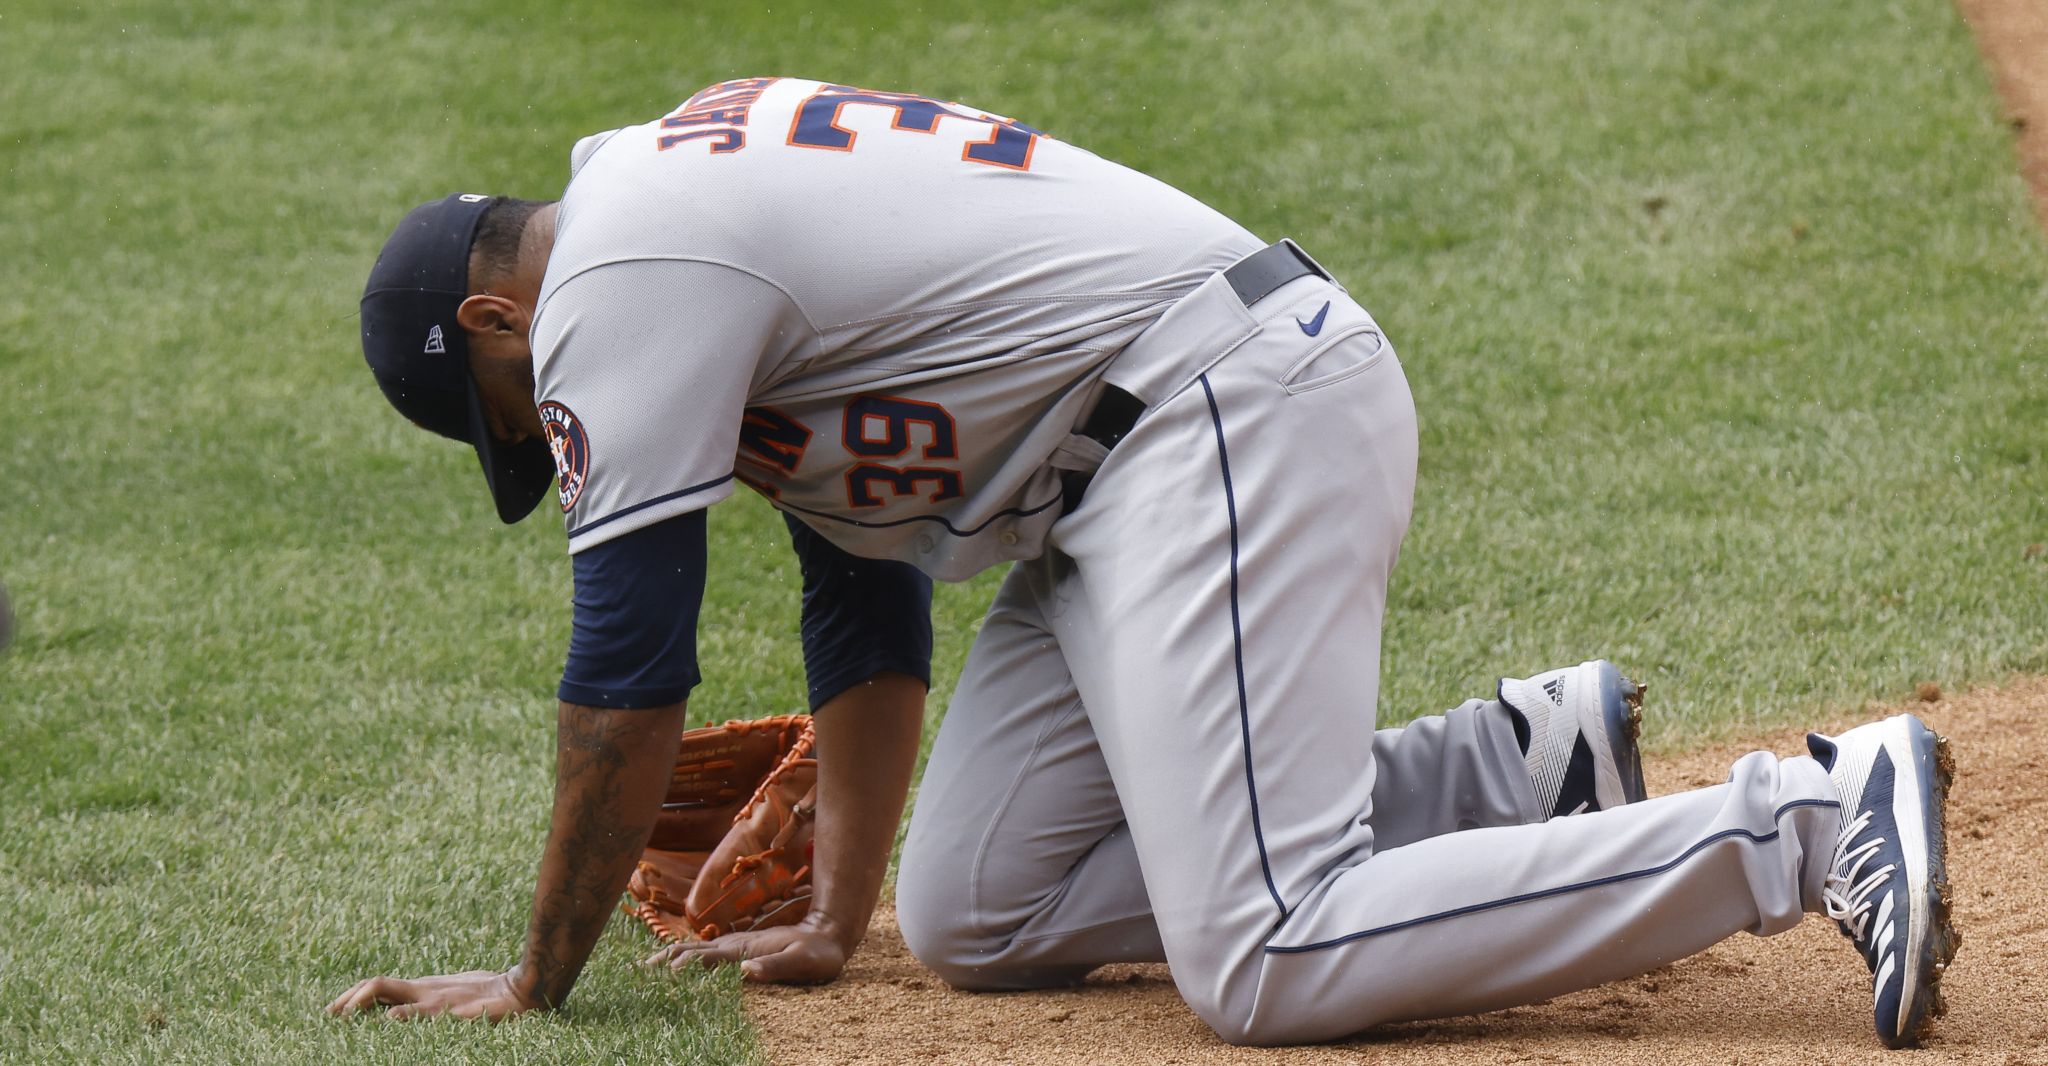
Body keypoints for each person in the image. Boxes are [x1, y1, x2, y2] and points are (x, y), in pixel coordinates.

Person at [330, 77, 1956, 1048]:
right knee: (975, 906)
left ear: (496, 321)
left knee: (1263, 950)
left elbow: (625, 683)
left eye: (506, 415)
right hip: (1116, 475)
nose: (540, 440)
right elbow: (858, 580)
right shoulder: (663, 209)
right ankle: (1519, 766)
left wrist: (538, 978)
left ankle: (1808, 825)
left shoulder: (614, 281)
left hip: (1225, 411)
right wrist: (836, 906)